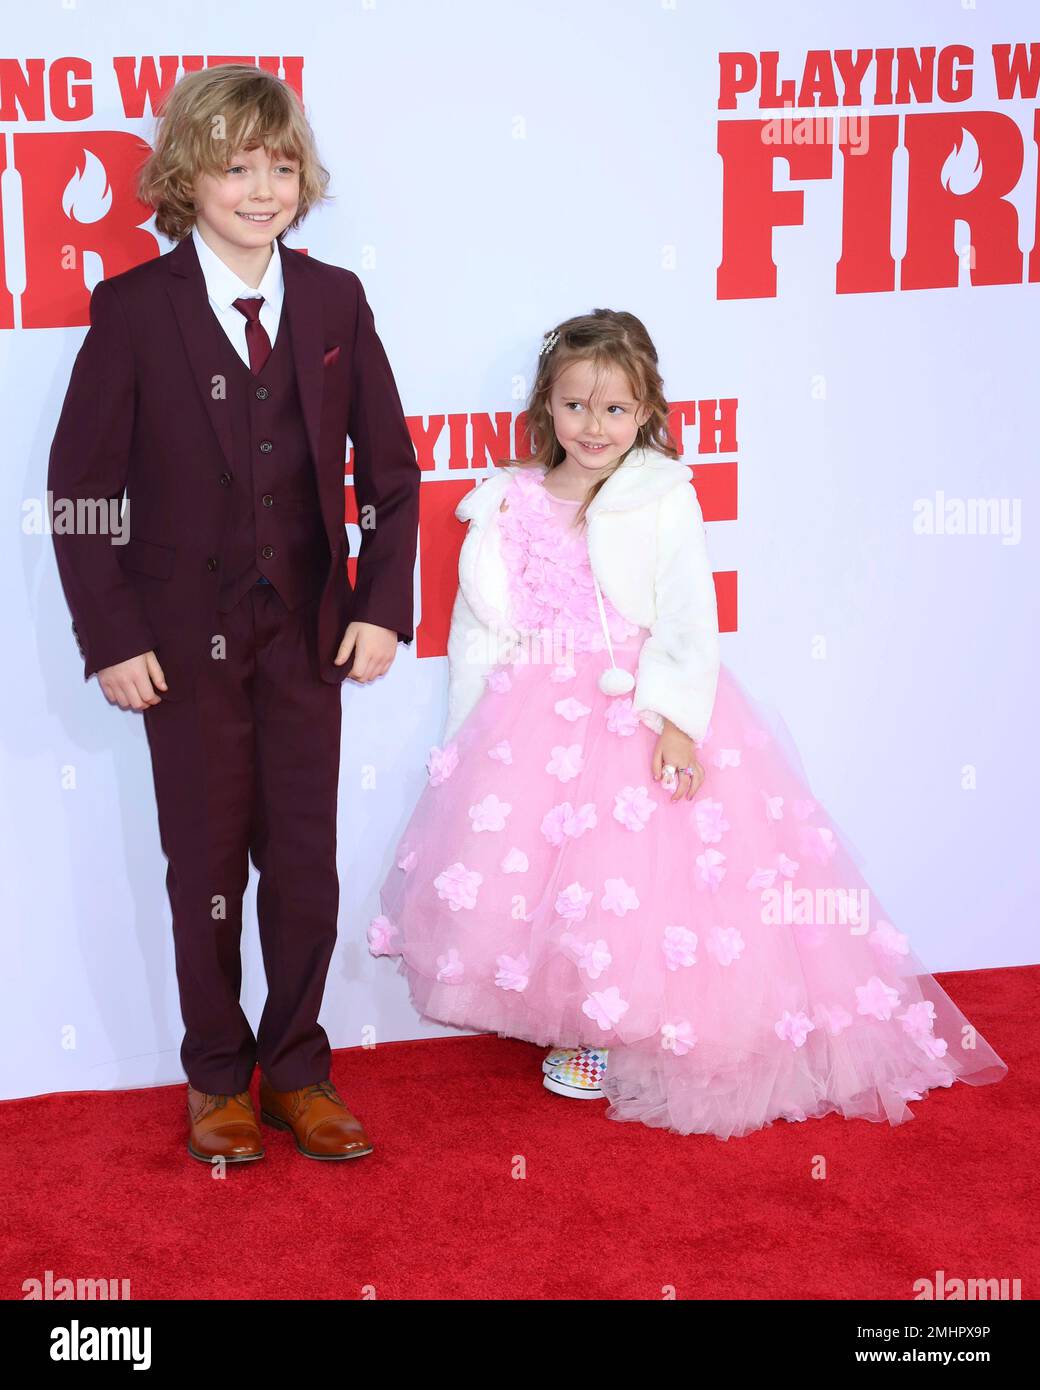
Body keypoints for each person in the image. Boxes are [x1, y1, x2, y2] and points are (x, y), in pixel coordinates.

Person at [368, 308, 1007, 1141]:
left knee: (654, 873)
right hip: (534, 715)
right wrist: (467, 740)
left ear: (645, 414)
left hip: (641, 704)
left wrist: (676, 721)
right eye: (575, 406)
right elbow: (482, 632)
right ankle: (583, 1022)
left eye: (615, 410)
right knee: (558, 873)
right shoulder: (507, 504)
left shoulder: (661, 495)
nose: (593, 427)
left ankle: (639, 1028)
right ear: (546, 408)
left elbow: (688, 616)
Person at [48, 65, 420, 1164]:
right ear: (186, 178)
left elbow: (392, 474)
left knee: (304, 860)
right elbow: (83, 490)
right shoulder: (133, 310)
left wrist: (381, 605)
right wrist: (111, 635)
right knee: (204, 863)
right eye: (235, 166)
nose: (262, 188)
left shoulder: (335, 300)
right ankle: (215, 1074)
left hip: (308, 635)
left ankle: (298, 1068)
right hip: (176, 648)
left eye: (282, 166)